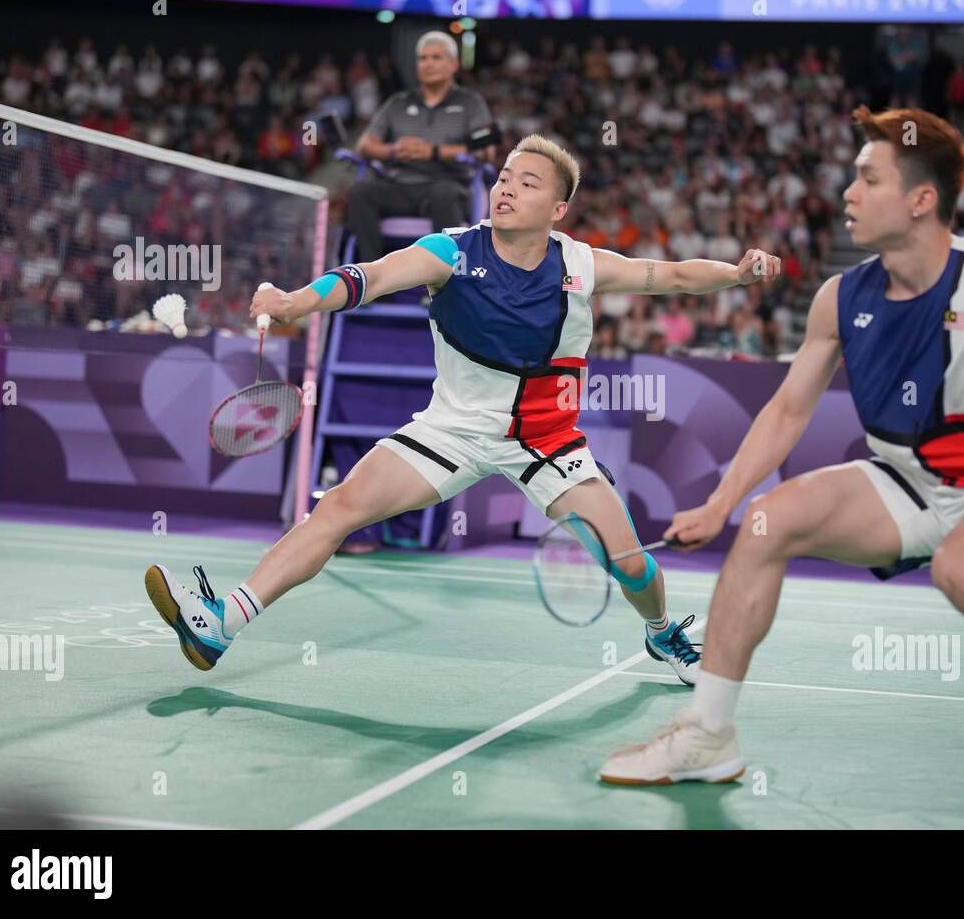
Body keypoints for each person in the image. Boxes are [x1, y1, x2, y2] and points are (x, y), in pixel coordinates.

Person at [598, 108, 964, 828]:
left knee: (962, 570)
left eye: (867, 178)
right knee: (767, 523)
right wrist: (724, 501)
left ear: (921, 199)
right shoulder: (840, 296)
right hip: (907, 481)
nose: (847, 193)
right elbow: (789, 411)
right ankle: (709, 733)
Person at [145, 134, 781, 691]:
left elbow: (664, 274)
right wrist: (295, 302)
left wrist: (737, 273)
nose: (506, 189)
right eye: (503, 177)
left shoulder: (579, 265)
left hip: (548, 442)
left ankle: (662, 631)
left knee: (631, 563)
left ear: (557, 209)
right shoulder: (451, 252)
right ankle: (221, 623)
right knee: (339, 507)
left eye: (526, 183)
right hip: (452, 428)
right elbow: (368, 275)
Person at [348, 31, 496, 261]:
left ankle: (442, 282)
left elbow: (486, 150)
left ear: (454, 65)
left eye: (436, 57)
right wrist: (392, 150)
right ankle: (371, 278)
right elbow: (364, 145)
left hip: (447, 185)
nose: (428, 64)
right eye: (423, 58)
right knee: (360, 192)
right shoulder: (398, 102)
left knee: (443, 194)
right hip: (398, 185)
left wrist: (434, 152)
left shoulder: (470, 103)